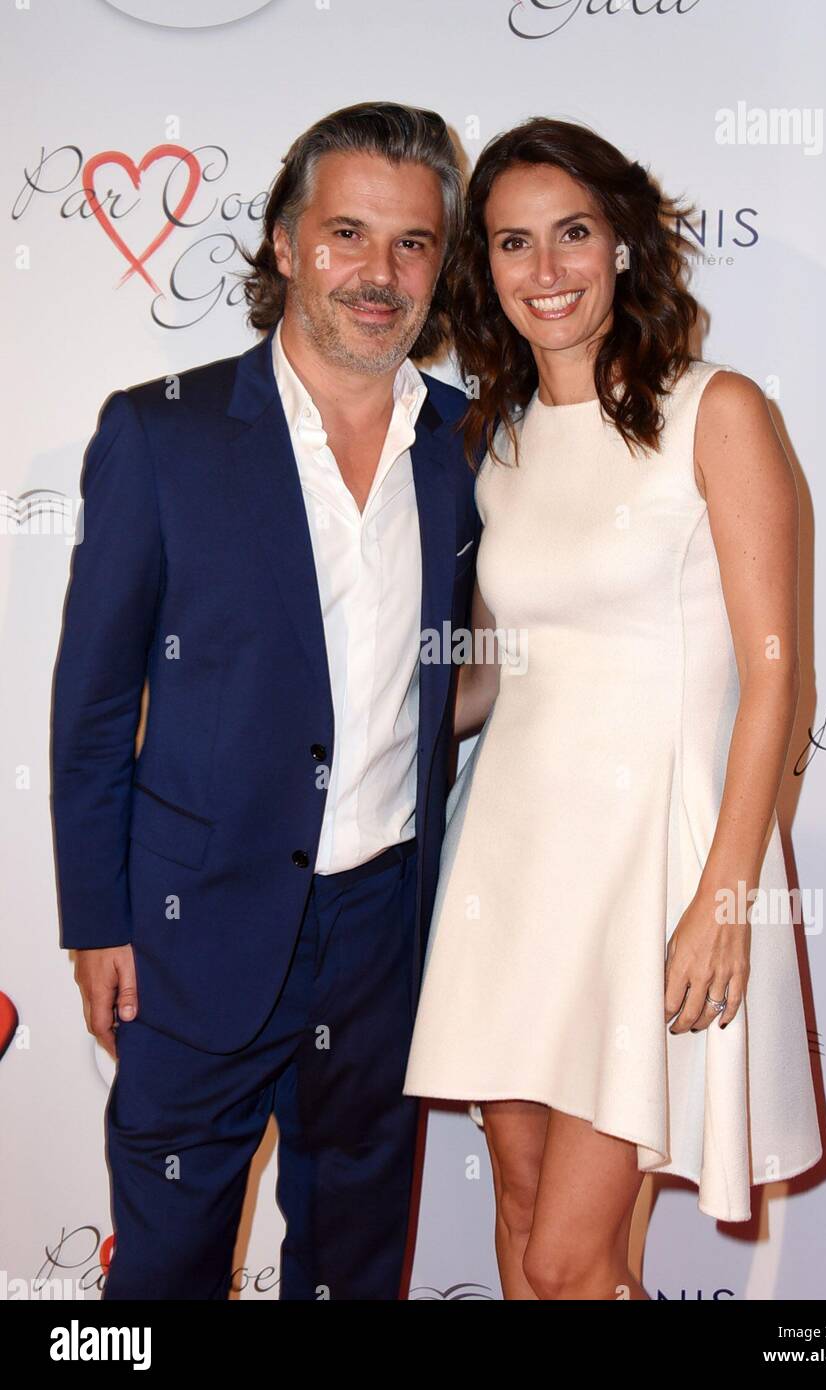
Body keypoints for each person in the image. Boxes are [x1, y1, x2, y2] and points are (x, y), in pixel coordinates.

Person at [51, 102, 480, 1300]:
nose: (378, 274)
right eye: (347, 233)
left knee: (351, 1261)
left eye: (412, 244)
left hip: (383, 935)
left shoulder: (467, 442)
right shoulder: (160, 434)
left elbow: (449, 669)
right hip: (192, 926)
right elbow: (90, 705)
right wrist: (95, 919)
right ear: (287, 244)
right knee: (165, 1274)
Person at [403, 117, 822, 1300]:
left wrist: (725, 893)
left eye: (573, 233)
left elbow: (776, 675)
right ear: (484, 270)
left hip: (648, 863)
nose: (546, 270)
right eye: (513, 243)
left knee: (570, 1257)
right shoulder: (498, 441)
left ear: (623, 243)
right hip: (512, 859)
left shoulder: (716, 411)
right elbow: (497, 673)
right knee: (525, 1220)